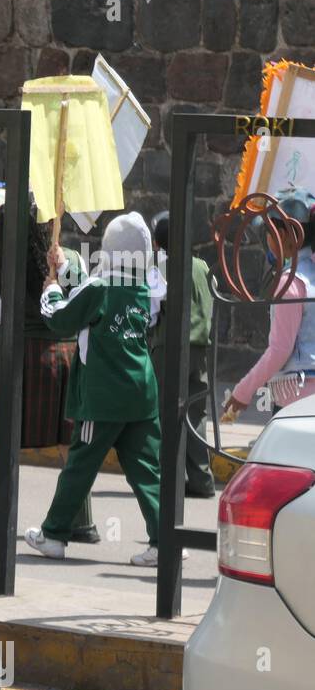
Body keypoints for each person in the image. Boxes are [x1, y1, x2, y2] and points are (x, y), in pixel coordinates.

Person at [24, 212, 175, 567]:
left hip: (104, 396)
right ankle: (164, 540)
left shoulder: (100, 287)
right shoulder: (144, 287)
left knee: (80, 466)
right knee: (146, 471)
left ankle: (55, 533)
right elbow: (91, 290)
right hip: (141, 394)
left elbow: (63, 316)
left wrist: (51, 291)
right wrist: (65, 270)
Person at [0, 205, 98, 542]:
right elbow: (85, 297)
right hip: (65, 359)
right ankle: (81, 522)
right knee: (69, 444)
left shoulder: (8, 266)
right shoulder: (72, 261)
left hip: (22, 359)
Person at [222, 191, 315, 422]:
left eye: (268, 232)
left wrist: (243, 392)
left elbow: (280, 351)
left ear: (282, 234)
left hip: (296, 399)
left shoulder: (290, 282)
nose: (267, 240)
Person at [148, 210, 217, 498]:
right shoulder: (202, 266)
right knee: (195, 415)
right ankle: (202, 480)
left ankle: (167, 480)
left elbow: (151, 316)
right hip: (200, 349)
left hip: (169, 348)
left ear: (158, 242)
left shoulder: (160, 270)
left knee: (164, 414)